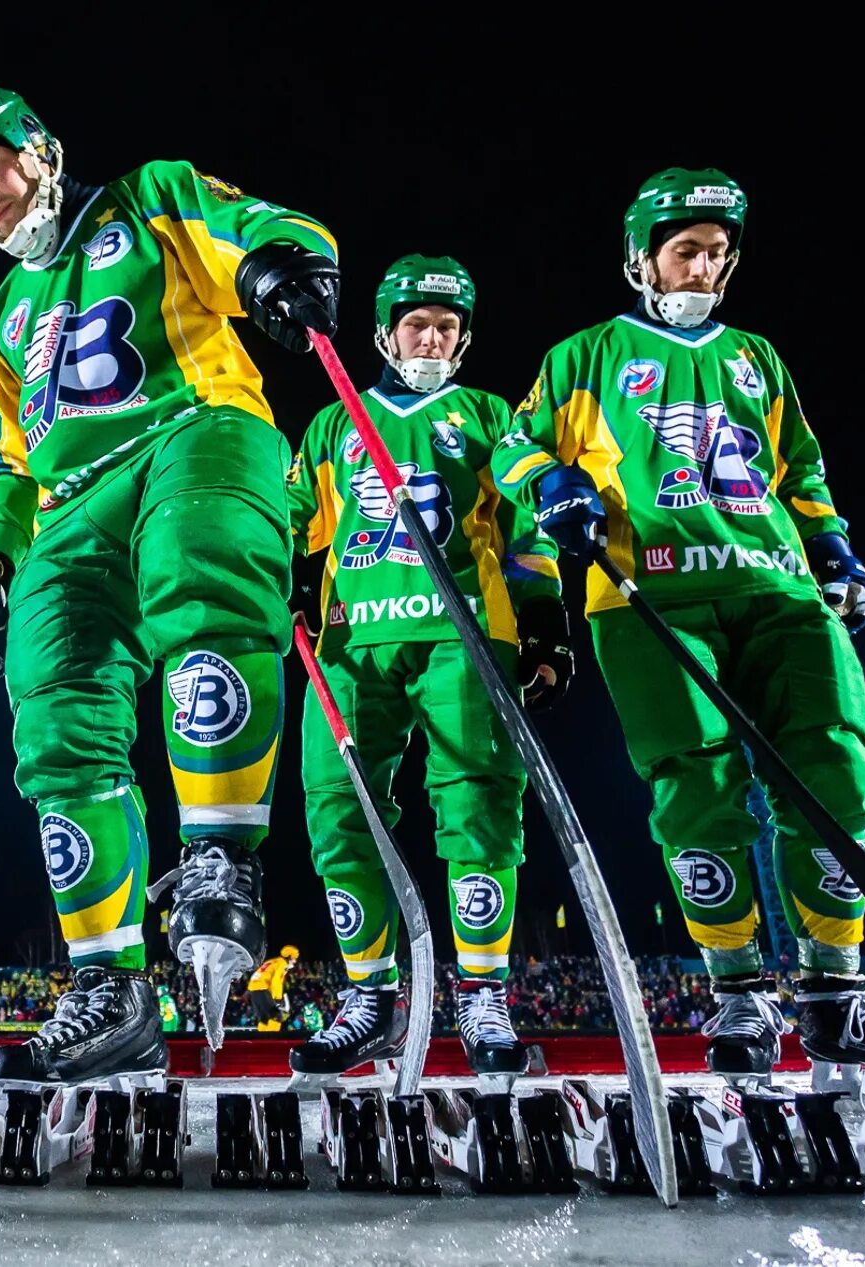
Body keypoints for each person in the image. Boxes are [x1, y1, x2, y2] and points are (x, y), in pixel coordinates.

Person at [0, 80, 339, 1085]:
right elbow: (13, 465)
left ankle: (219, 855)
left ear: (40, 150)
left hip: (189, 429)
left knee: (203, 567)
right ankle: (110, 991)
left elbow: (255, 227)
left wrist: (286, 260)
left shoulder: (147, 195)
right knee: (50, 697)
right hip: (69, 498)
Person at [491, 169, 865, 1081]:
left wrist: (835, 553)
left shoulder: (758, 355)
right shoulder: (584, 355)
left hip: (778, 588)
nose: (703, 267)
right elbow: (517, 447)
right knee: (697, 791)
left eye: (717, 252)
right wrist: (553, 489)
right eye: (685, 250)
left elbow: (803, 472)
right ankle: (740, 992)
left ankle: (836, 988)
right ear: (640, 258)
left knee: (833, 768)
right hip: (651, 598)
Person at [286, 255, 566, 1085]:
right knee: (339, 808)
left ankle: (482, 994)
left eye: (448, 327)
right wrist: (289, 578)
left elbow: (526, 531)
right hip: (350, 636)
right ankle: (368, 996)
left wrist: (546, 626)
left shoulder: (486, 414)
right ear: (385, 332)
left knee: (478, 797)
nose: (433, 339)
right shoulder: (336, 420)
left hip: (465, 633)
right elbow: (298, 518)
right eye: (418, 325)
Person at [247, 944, 300, 1032]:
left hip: (253, 988)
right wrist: (277, 997)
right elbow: (276, 980)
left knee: (264, 1019)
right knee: (276, 1016)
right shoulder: (283, 963)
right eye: (294, 958)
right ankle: (272, 1039)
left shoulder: (273, 961)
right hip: (262, 987)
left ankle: (262, 1039)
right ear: (289, 956)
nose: (295, 961)